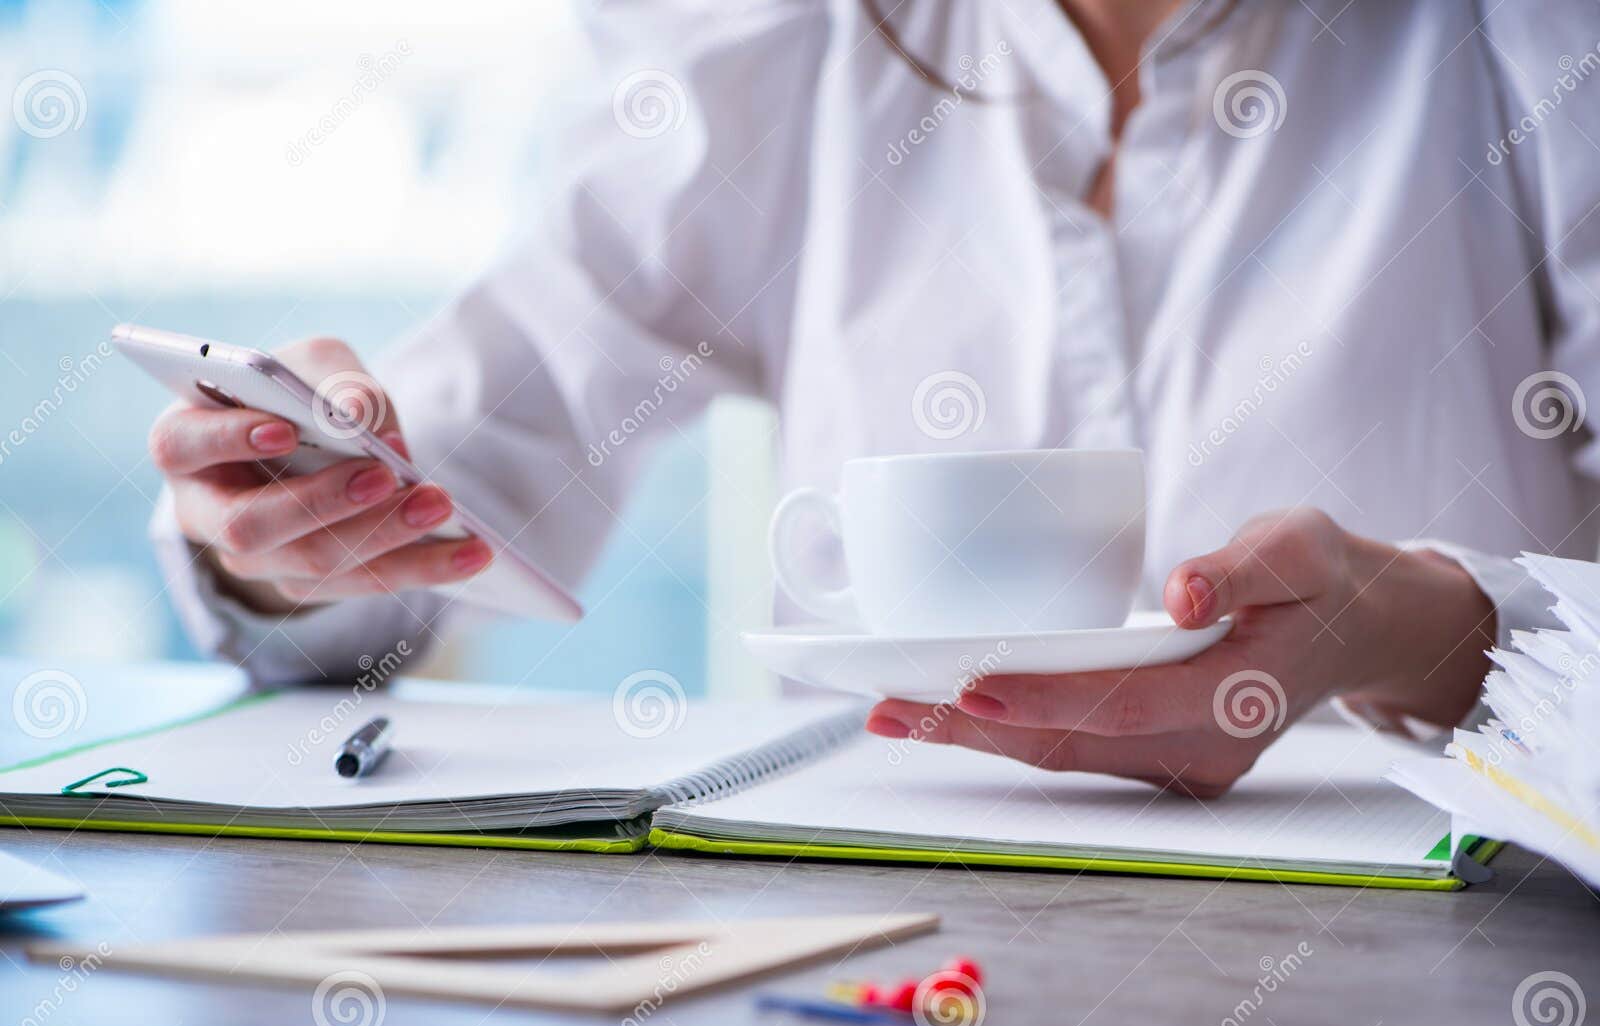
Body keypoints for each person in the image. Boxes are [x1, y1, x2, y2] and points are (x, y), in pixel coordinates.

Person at [146, 0, 1600, 797]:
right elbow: (456, 494)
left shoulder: (1526, 45)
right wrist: (300, 520)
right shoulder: (770, 46)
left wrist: (1441, 634)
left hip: (1429, 944)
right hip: (881, 945)